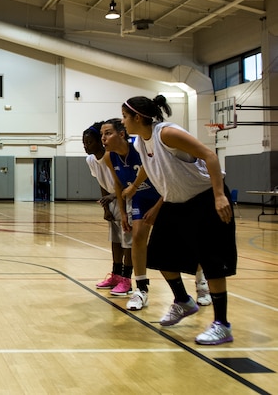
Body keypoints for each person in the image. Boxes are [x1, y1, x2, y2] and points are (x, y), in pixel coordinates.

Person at [121, 95, 236, 345]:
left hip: (205, 198)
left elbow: (210, 156)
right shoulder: (141, 141)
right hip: (176, 202)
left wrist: (218, 195)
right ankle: (183, 300)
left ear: (137, 117)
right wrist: (141, 190)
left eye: (125, 117)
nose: (123, 122)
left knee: (212, 262)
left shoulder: (167, 134)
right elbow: (152, 169)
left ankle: (222, 325)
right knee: (161, 255)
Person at [101, 118, 161, 311]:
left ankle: (201, 284)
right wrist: (124, 214)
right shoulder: (110, 157)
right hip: (139, 199)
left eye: (108, 133)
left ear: (121, 134)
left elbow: (164, 176)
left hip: (162, 195)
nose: (104, 137)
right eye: (102, 134)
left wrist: (158, 205)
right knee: (137, 238)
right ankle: (141, 289)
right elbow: (118, 185)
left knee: (184, 240)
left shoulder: (139, 148)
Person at [84, 122, 133, 296]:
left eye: (89, 142)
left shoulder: (113, 156)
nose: (85, 146)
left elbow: (123, 182)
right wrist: (106, 206)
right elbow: (101, 181)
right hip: (113, 198)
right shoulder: (91, 160)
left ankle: (127, 279)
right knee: (116, 240)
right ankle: (116, 275)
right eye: (84, 142)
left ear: (99, 141)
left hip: (127, 197)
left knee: (128, 242)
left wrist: (114, 196)